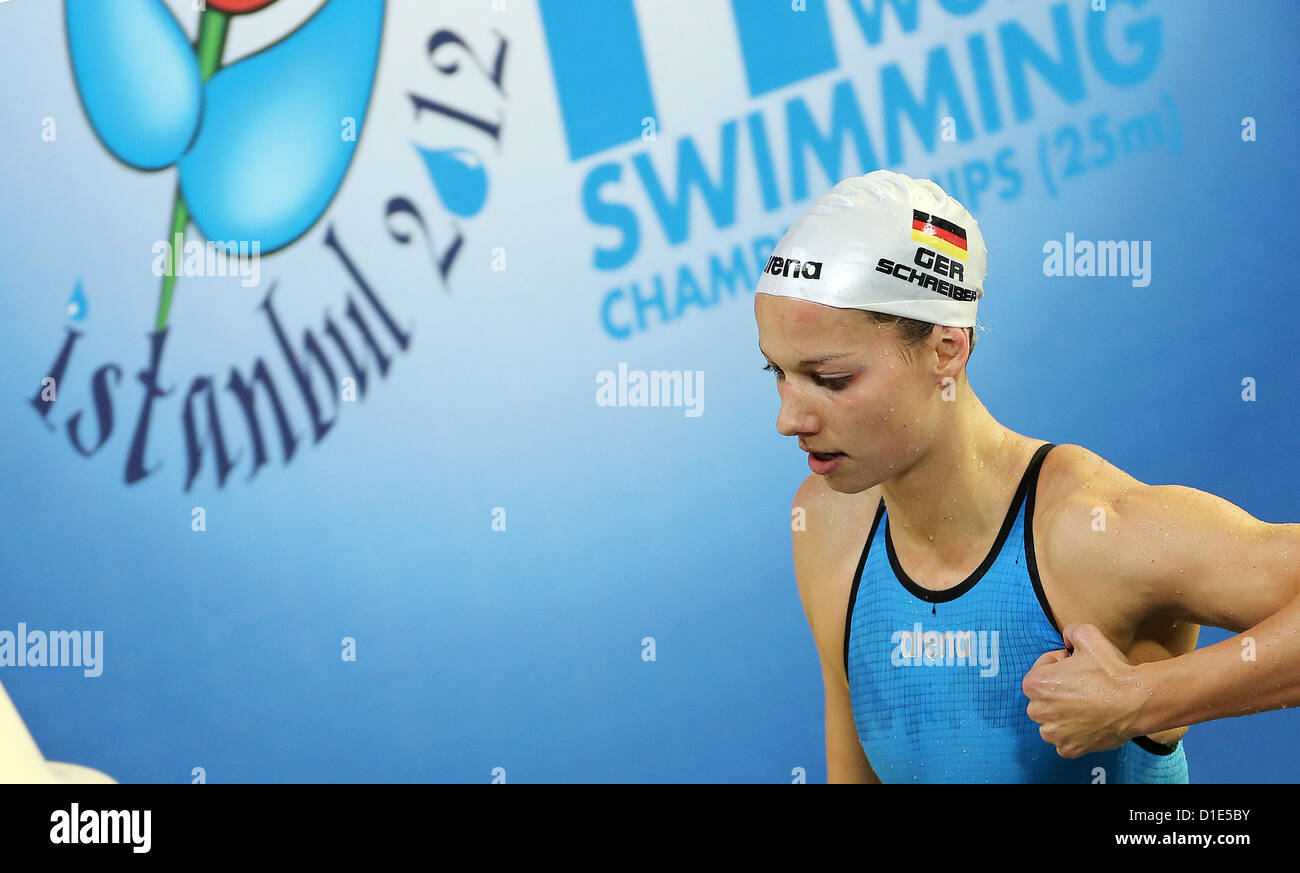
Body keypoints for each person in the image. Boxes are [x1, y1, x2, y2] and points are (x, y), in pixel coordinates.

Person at [753, 169, 1299, 783]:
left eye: (830, 380)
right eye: (775, 370)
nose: (788, 418)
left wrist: (1144, 699)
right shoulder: (828, 522)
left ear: (946, 351)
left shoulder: (1091, 530)